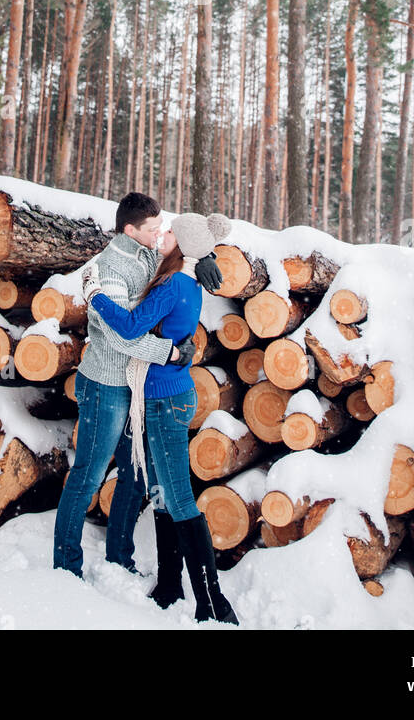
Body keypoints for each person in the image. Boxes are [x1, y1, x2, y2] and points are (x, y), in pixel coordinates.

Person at [52, 191, 221, 579]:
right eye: (152, 227)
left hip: (139, 385)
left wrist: (203, 257)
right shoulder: (109, 269)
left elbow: (178, 251)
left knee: (135, 473)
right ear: (130, 230)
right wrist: (169, 353)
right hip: (107, 384)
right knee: (90, 475)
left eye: (161, 226)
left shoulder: (147, 251)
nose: (160, 231)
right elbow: (120, 336)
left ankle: (119, 558)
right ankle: (66, 565)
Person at [85, 210, 239, 626]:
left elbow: (132, 326)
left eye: (170, 231)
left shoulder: (173, 285)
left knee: (180, 497)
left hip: (165, 400)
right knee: (161, 493)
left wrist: (95, 296)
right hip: (165, 396)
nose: (163, 233)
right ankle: (171, 585)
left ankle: (213, 601)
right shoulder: (183, 278)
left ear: (182, 245)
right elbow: (164, 263)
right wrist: (204, 253)